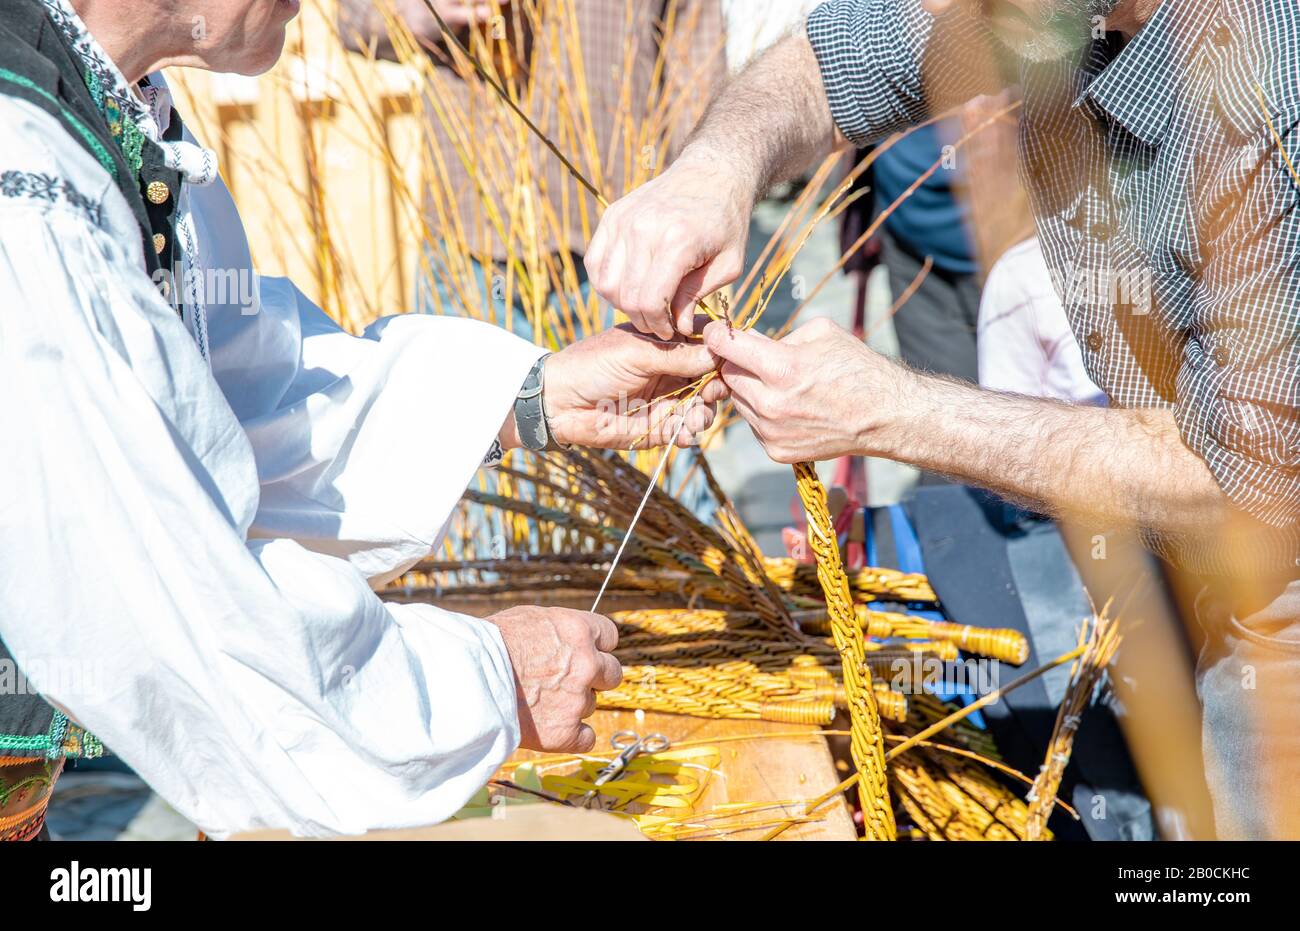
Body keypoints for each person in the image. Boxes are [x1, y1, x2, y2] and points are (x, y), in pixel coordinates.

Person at [0, 0, 724, 840]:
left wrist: (533, 396)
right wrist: (491, 677)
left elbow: (233, 401)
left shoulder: (105, 104)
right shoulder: (25, 176)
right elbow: (167, 595)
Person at [585, 0, 1300, 839]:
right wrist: (714, 166)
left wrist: (890, 412)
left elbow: (1246, 480)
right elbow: (834, 55)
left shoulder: (1269, 95)